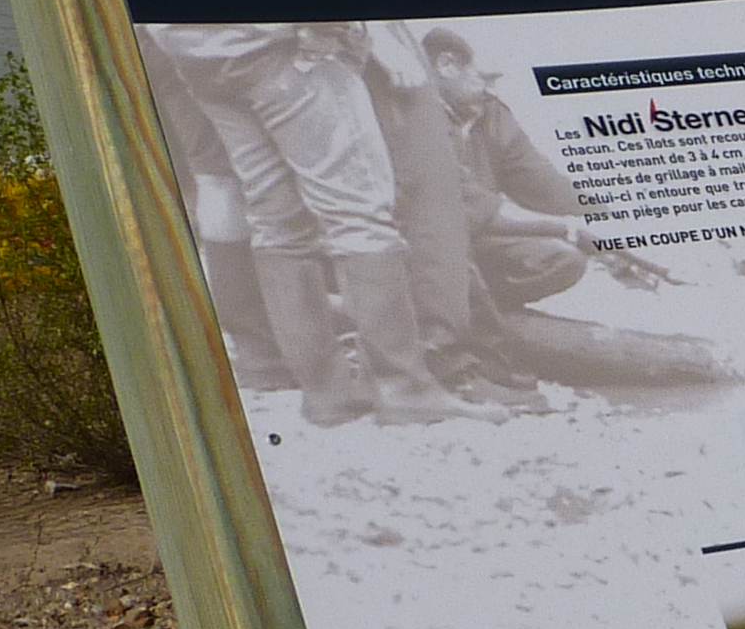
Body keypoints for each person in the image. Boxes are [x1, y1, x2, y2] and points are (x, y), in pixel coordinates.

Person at [142, 24, 492, 426]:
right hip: (288, 47)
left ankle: (326, 391)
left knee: (275, 219)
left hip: (197, 51)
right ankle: (405, 388)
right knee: (358, 211)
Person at [419, 30, 734, 392]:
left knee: (560, 260)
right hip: (429, 251)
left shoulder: (487, 113)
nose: (490, 90)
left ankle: (480, 310)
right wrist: (569, 228)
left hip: (471, 244)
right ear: (447, 65)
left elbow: (545, 186)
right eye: (484, 78)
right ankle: (460, 329)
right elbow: (470, 204)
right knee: (550, 249)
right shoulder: (416, 118)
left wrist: (627, 230)